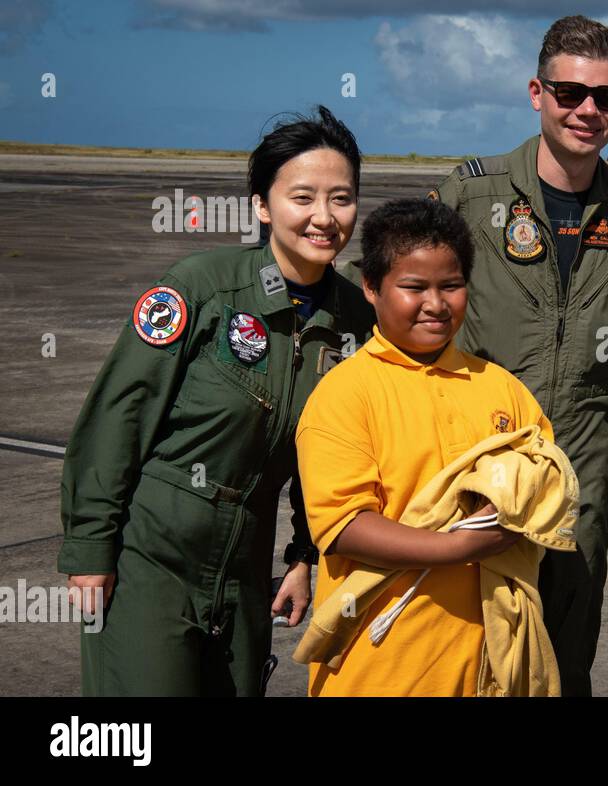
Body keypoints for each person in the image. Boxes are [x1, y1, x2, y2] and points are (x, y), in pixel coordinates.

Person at [379, 15, 608, 696]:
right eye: (569, 93)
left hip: (581, 469)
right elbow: (401, 317)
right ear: (536, 93)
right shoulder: (473, 195)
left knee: (565, 649)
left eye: (607, 97)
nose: (588, 110)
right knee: (461, 643)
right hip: (473, 460)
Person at [58, 105, 374, 696]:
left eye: (342, 198)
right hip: (151, 555)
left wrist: (304, 555)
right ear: (261, 205)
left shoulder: (356, 316)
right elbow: (117, 418)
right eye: (302, 197)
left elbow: (332, 452)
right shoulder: (199, 289)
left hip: (246, 567)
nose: (324, 218)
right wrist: (90, 547)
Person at [295, 198, 556, 696]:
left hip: (485, 662)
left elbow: (546, 482)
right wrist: (457, 546)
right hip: (380, 663)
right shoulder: (345, 393)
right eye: (413, 287)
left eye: (451, 286)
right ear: (371, 287)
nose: (435, 304)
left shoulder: (502, 388)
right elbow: (343, 525)